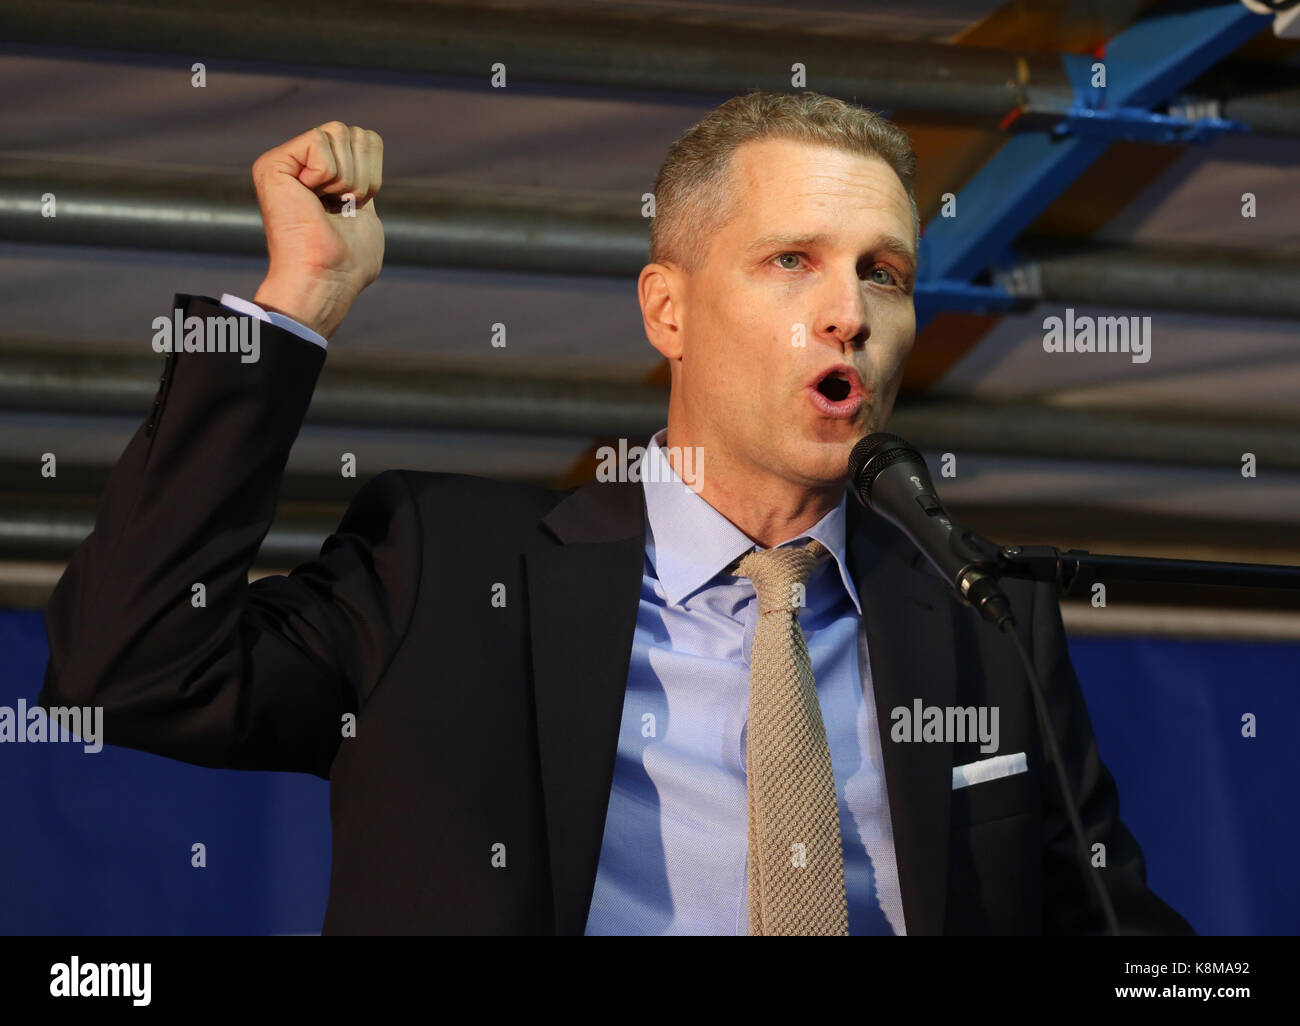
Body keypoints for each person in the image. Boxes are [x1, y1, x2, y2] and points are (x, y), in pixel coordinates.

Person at [40, 91, 1192, 936]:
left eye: (882, 273)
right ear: (667, 312)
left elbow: (1109, 930)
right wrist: (299, 302)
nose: (848, 311)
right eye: (791, 260)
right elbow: (129, 670)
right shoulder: (446, 569)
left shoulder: (978, 614)